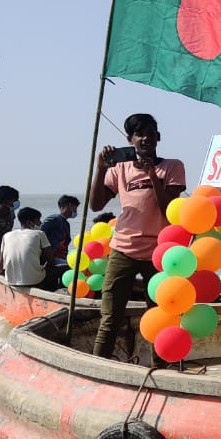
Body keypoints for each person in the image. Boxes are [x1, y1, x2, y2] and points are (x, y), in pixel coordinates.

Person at [88, 113, 185, 359]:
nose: (145, 139)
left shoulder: (172, 166)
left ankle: (161, 368)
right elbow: (96, 205)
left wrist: (152, 176)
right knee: (110, 318)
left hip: (159, 253)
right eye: (139, 134)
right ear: (129, 139)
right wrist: (100, 169)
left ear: (158, 137)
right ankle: (98, 366)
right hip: (123, 249)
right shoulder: (120, 168)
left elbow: (169, 210)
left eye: (151, 133)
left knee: (161, 317)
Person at [0, 207, 61, 291]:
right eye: (38, 220)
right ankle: (52, 291)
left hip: (10, 280)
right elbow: (52, 261)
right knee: (64, 269)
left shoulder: (6, 235)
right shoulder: (39, 234)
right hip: (34, 281)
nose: (40, 223)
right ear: (29, 222)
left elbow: (0, 266)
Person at [40, 194, 81, 261]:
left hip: (62, 257)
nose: (75, 211)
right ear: (70, 205)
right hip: (53, 257)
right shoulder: (53, 219)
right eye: (75, 208)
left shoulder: (66, 224)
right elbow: (41, 234)